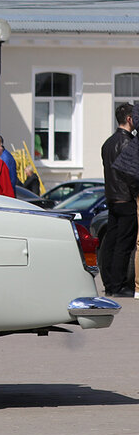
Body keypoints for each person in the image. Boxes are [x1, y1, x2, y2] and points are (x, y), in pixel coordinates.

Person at [98, 103, 138, 297]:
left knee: (111, 242)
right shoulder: (128, 143)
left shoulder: (108, 142)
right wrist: (136, 194)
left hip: (112, 198)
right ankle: (119, 285)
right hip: (126, 199)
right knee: (124, 243)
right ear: (129, 119)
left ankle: (109, 283)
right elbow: (131, 175)